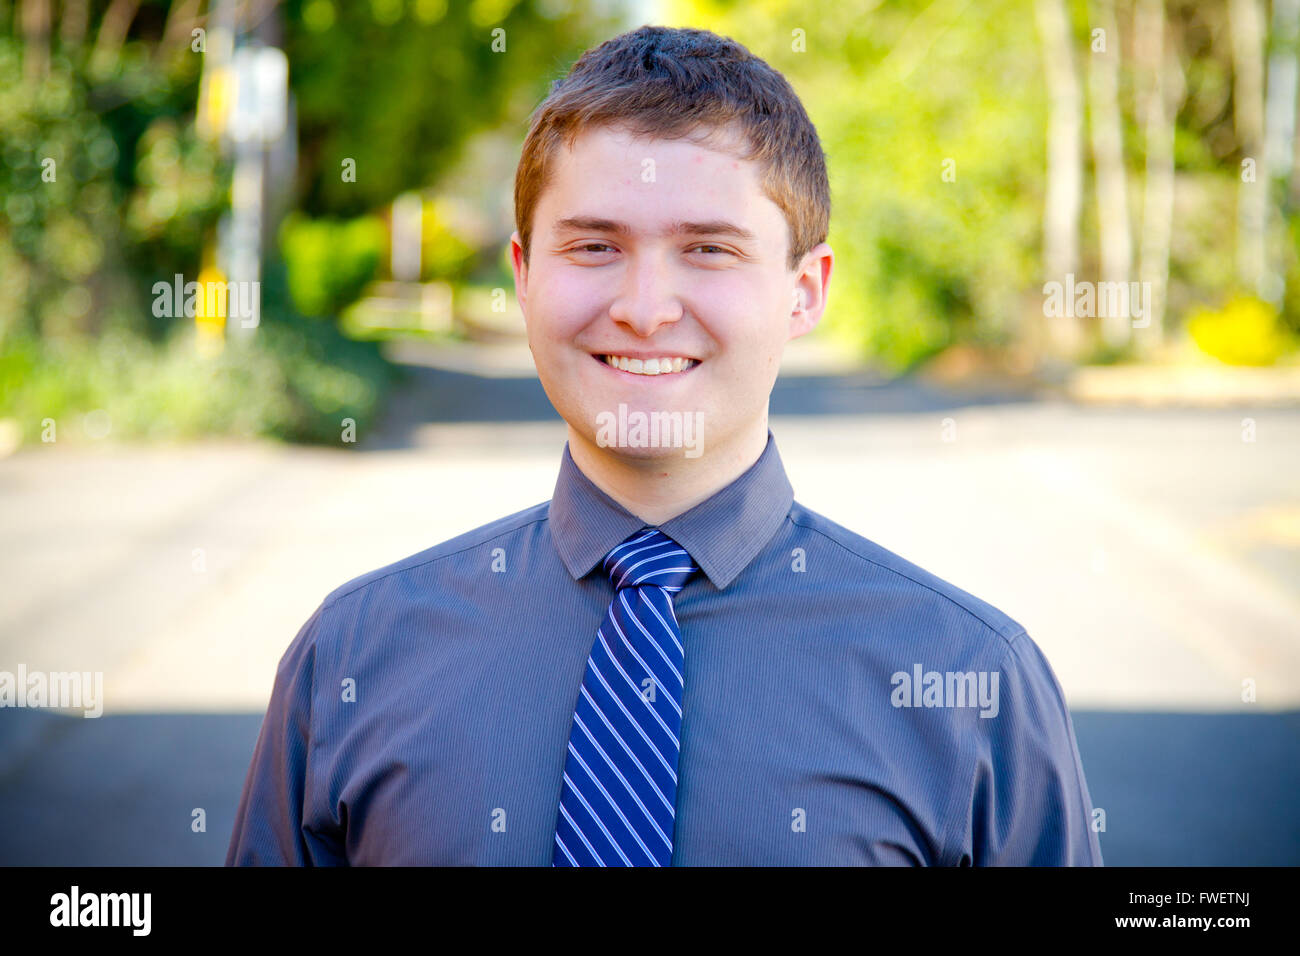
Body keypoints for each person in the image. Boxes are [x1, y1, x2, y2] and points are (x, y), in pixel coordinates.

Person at [226, 24, 1102, 866]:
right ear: (525, 278)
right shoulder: (351, 659)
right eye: (595, 246)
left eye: (709, 250)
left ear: (804, 292)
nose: (645, 308)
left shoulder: (971, 681)